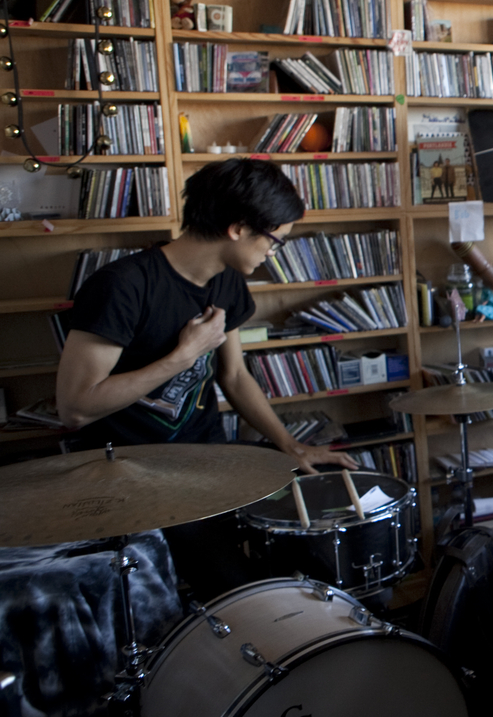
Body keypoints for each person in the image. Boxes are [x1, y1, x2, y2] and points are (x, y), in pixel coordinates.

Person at [55, 158, 355, 598]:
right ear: (237, 228)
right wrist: (185, 355)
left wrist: (289, 444)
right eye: (275, 240)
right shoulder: (123, 286)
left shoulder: (228, 282)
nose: (274, 252)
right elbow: (75, 408)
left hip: (208, 462)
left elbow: (234, 376)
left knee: (321, 540)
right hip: (130, 476)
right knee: (239, 585)